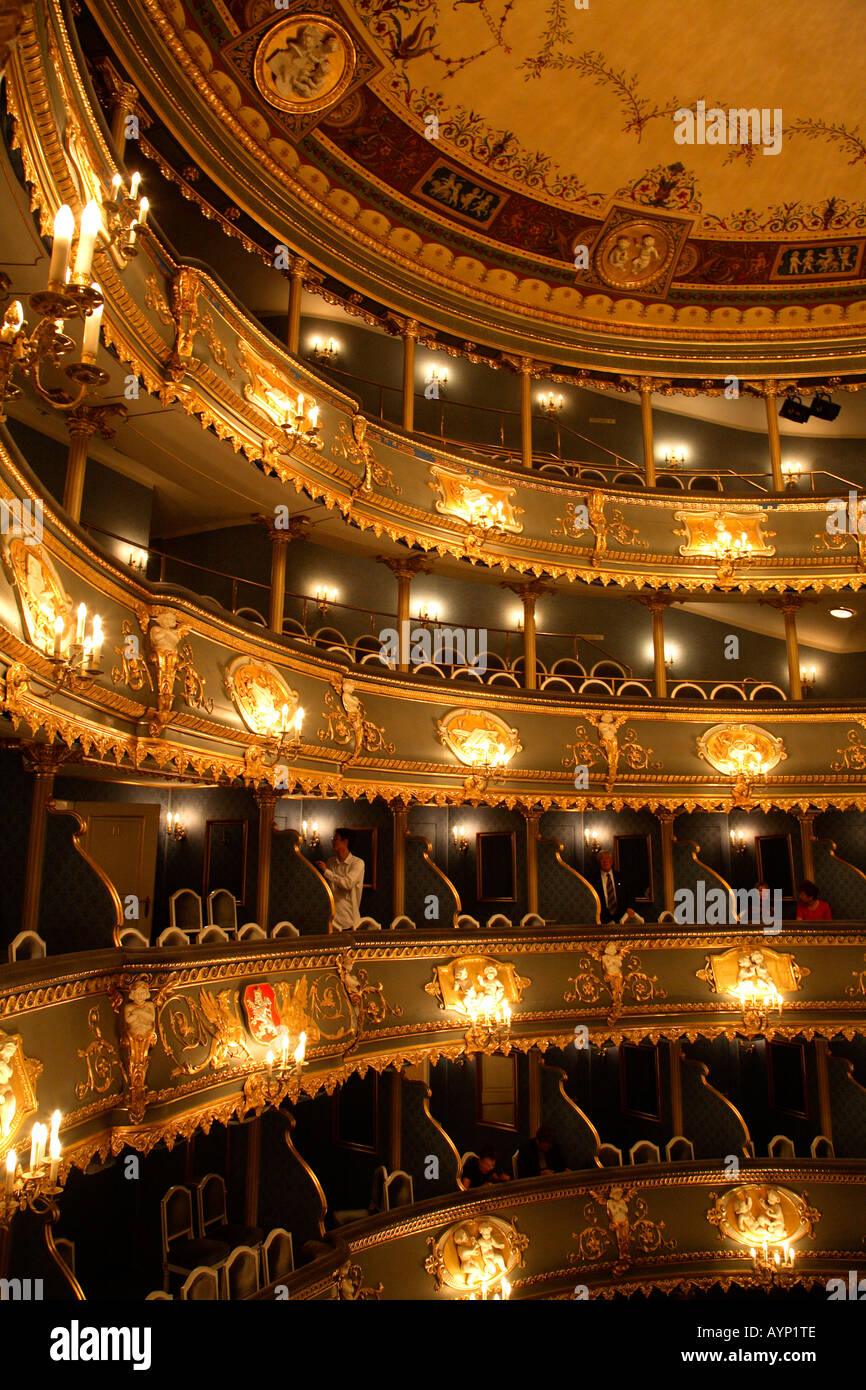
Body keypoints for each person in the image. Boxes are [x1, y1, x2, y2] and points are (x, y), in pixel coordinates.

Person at [315, 828, 364, 930]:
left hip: (349, 921)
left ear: (345, 842)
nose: (332, 841)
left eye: (335, 839)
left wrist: (326, 872)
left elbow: (347, 884)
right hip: (332, 919)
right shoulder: (330, 862)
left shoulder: (357, 863)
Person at [592, 850, 643, 925]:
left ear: (611, 861)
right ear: (599, 862)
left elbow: (630, 895)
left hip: (622, 919)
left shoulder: (622, 877)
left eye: (607, 858)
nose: (605, 861)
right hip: (602, 920)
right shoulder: (593, 880)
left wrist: (630, 907)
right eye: (602, 859)